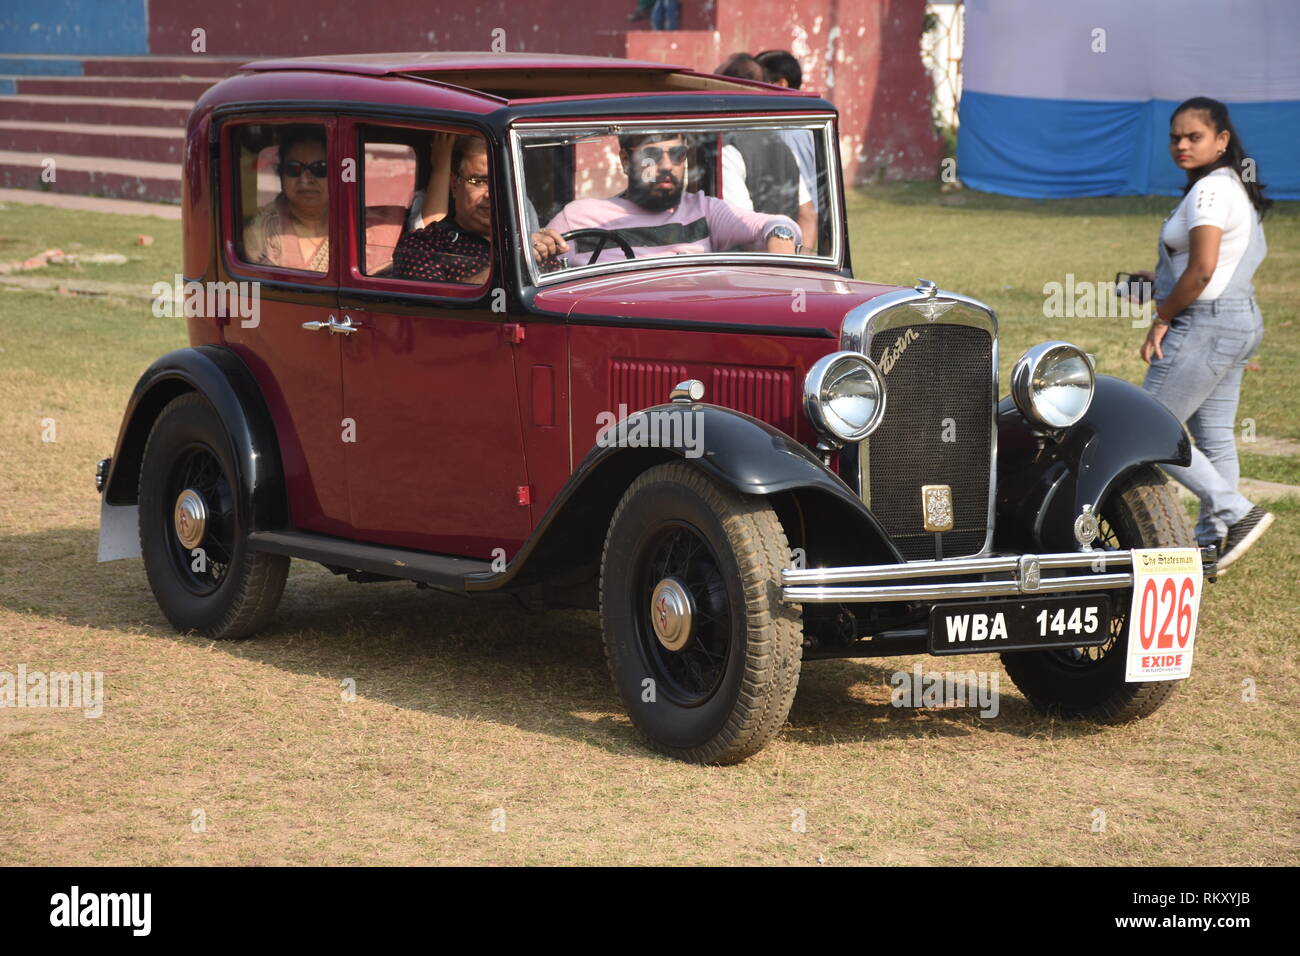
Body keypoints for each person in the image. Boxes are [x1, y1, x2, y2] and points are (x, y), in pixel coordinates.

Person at [1132, 96, 1274, 571]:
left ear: (1222, 140)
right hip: (1236, 321)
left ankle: (1236, 514)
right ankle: (1213, 542)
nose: (1181, 145)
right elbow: (1213, 268)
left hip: (1207, 324)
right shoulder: (1232, 185)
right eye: (1175, 137)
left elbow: (1202, 270)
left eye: (1194, 137)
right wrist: (1151, 285)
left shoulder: (1211, 191)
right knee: (1213, 440)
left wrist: (1163, 317)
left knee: (1147, 431)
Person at [531, 131, 802, 268]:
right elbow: (536, 264)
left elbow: (773, 225)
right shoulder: (578, 216)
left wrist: (780, 235)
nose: (666, 166)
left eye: (677, 156)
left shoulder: (704, 210)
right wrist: (537, 248)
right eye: (652, 156)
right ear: (625, 160)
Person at [715, 53, 815, 251]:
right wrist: (799, 263)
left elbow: (742, 226)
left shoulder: (728, 149)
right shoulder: (781, 145)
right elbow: (808, 215)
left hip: (752, 272)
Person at [242, 127, 330, 272]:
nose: (305, 180)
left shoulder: (365, 228)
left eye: (320, 168)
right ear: (281, 176)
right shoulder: (258, 235)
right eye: (294, 168)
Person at [757, 48, 820, 234]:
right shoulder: (789, 126)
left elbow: (807, 209)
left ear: (780, 84)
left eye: (757, 83)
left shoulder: (788, 133)